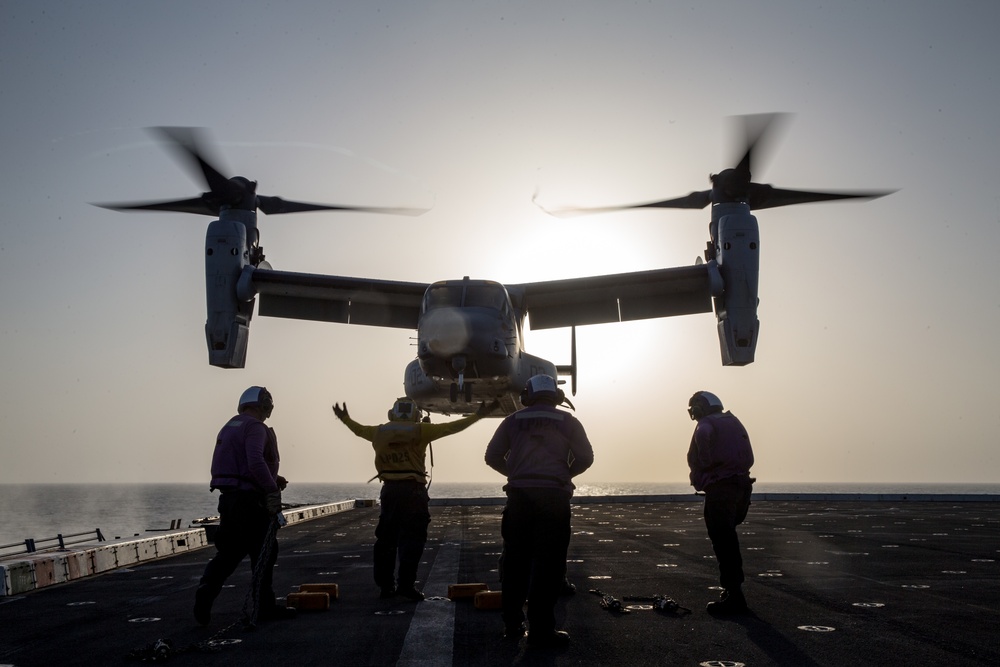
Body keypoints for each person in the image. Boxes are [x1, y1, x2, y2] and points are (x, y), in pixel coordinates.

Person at [331, 397, 489, 601]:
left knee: (386, 541)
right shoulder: (421, 430)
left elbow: (358, 430)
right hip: (413, 492)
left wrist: (345, 418)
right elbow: (452, 427)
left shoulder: (379, 432)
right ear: (416, 415)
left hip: (389, 492)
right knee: (413, 540)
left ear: (391, 414)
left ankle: (386, 586)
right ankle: (406, 586)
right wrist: (478, 415)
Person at [485, 374, 594, 647]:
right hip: (554, 499)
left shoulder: (512, 420)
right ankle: (541, 631)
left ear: (527, 396)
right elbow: (586, 458)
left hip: (519, 499)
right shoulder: (568, 421)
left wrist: (516, 473)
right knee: (549, 565)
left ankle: (512, 625)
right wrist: (564, 475)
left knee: (515, 563)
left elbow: (492, 456)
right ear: (557, 396)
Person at [194, 386, 295, 626]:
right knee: (264, 553)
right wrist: (271, 489)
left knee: (229, 553)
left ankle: (207, 589)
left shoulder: (230, 426)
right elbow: (255, 462)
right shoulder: (255, 427)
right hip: (251, 503)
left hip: (229, 501)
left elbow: (239, 464)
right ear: (265, 405)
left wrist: (274, 478)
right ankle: (264, 607)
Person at [686, 390, 755, 615]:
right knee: (729, 539)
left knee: (723, 542)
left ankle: (734, 595)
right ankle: (733, 592)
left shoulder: (706, 424)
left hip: (721, 489)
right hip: (742, 488)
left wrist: (705, 466)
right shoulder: (732, 420)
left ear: (700, 407)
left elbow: (704, 446)